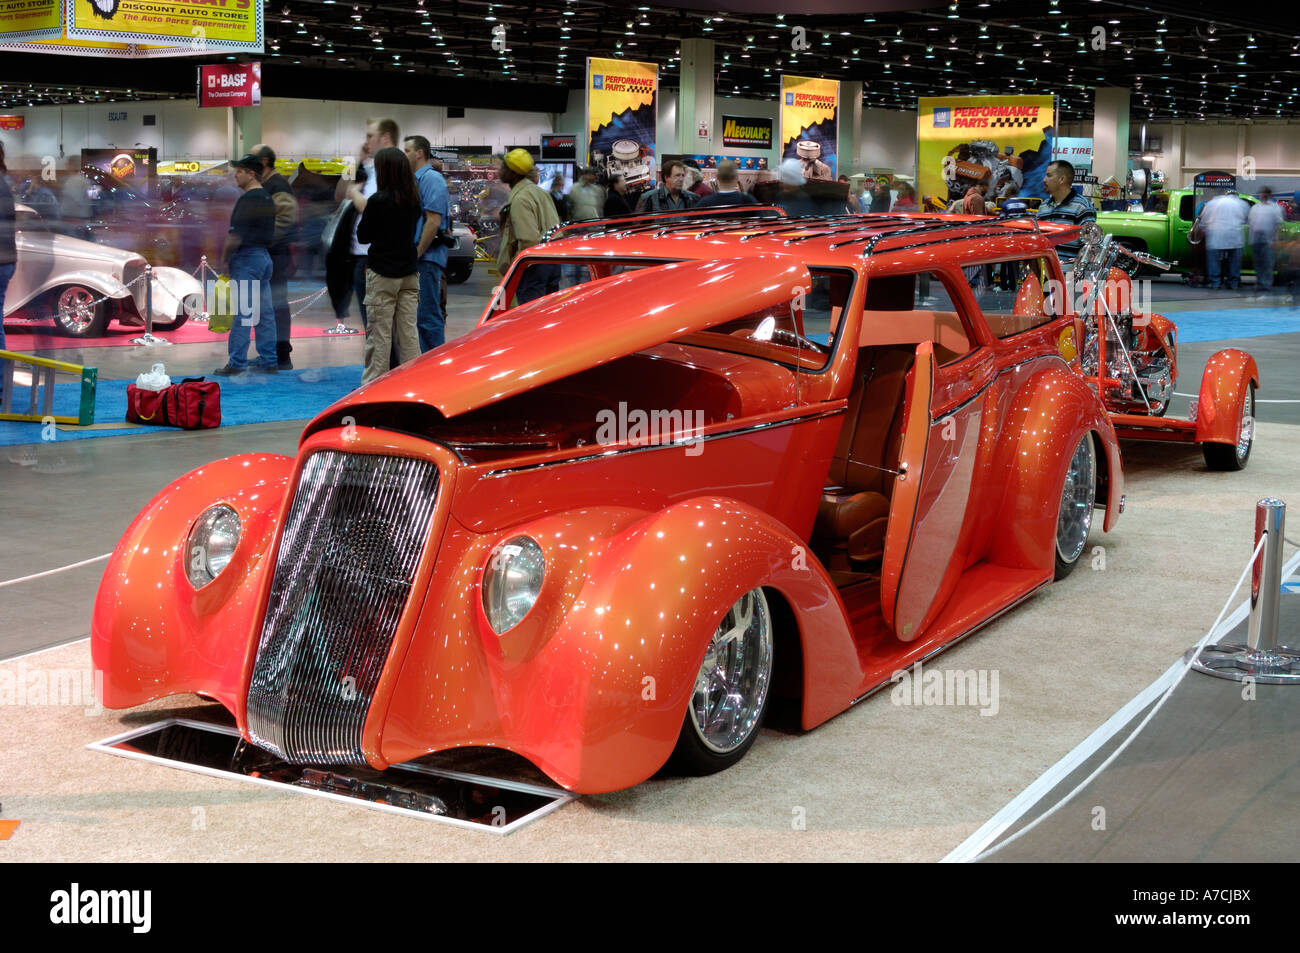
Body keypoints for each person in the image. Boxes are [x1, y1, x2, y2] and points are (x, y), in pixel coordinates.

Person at [355, 147, 421, 384]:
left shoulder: (378, 201)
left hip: (382, 274)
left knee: (379, 336)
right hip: (409, 272)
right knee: (409, 334)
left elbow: (363, 236)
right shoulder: (413, 199)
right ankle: (415, 384)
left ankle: (374, 388)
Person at [214, 154, 277, 376]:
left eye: (240, 171)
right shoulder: (267, 198)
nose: (236, 175)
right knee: (265, 313)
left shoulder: (247, 200)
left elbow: (235, 236)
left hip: (247, 259)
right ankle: (269, 360)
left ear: (251, 174)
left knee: (243, 313)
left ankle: (237, 362)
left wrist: (225, 258)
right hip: (263, 258)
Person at [335, 117, 400, 326]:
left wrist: (355, 194)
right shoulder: (371, 169)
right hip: (360, 257)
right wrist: (357, 161)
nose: (366, 141)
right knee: (372, 325)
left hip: (377, 260)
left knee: (379, 325)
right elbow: (340, 194)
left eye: (371, 136)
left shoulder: (392, 172)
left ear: (385, 138)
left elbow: (373, 209)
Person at [252, 144, 299, 369]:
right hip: (269, 255)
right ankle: (270, 353)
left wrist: (259, 239)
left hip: (275, 257)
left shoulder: (278, 186)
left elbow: (284, 222)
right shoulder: (267, 186)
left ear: (264, 161)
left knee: (276, 305)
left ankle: (281, 354)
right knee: (268, 305)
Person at [404, 134, 451, 352]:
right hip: (421, 258)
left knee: (428, 315)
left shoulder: (431, 179)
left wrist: (417, 253)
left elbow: (433, 221)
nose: (404, 155)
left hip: (427, 258)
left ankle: (434, 362)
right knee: (420, 315)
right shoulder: (416, 180)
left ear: (419, 153)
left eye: (407, 151)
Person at [496, 148, 560, 304]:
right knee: (548, 311)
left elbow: (529, 240)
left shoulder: (521, 198)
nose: (499, 171)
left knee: (531, 312)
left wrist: (516, 268)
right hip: (552, 260)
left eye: (503, 167)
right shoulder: (539, 192)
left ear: (513, 173)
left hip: (534, 267)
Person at [1036, 159, 1096, 256]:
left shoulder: (1082, 207)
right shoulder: (1043, 207)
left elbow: (1089, 247)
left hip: (1069, 265)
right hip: (1045, 264)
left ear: (1062, 179)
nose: (1044, 180)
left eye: (1049, 175)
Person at [1200, 190, 1250, 290]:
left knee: (1214, 261)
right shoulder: (1241, 203)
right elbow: (1247, 219)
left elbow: (1204, 219)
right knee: (1234, 262)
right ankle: (1233, 283)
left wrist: (1204, 229)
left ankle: (1215, 283)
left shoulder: (1213, 203)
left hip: (1216, 235)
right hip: (1234, 236)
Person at [1248, 187, 1284, 296]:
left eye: (1265, 194)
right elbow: (1251, 223)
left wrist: (1275, 239)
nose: (1263, 195)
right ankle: (1260, 283)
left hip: (1268, 238)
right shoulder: (1255, 207)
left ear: (1269, 195)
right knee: (1258, 263)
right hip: (1256, 238)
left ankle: (1266, 285)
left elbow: (1278, 224)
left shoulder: (1275, 208)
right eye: (1262, 193)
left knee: (1267, 263)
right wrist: (1251, 239)